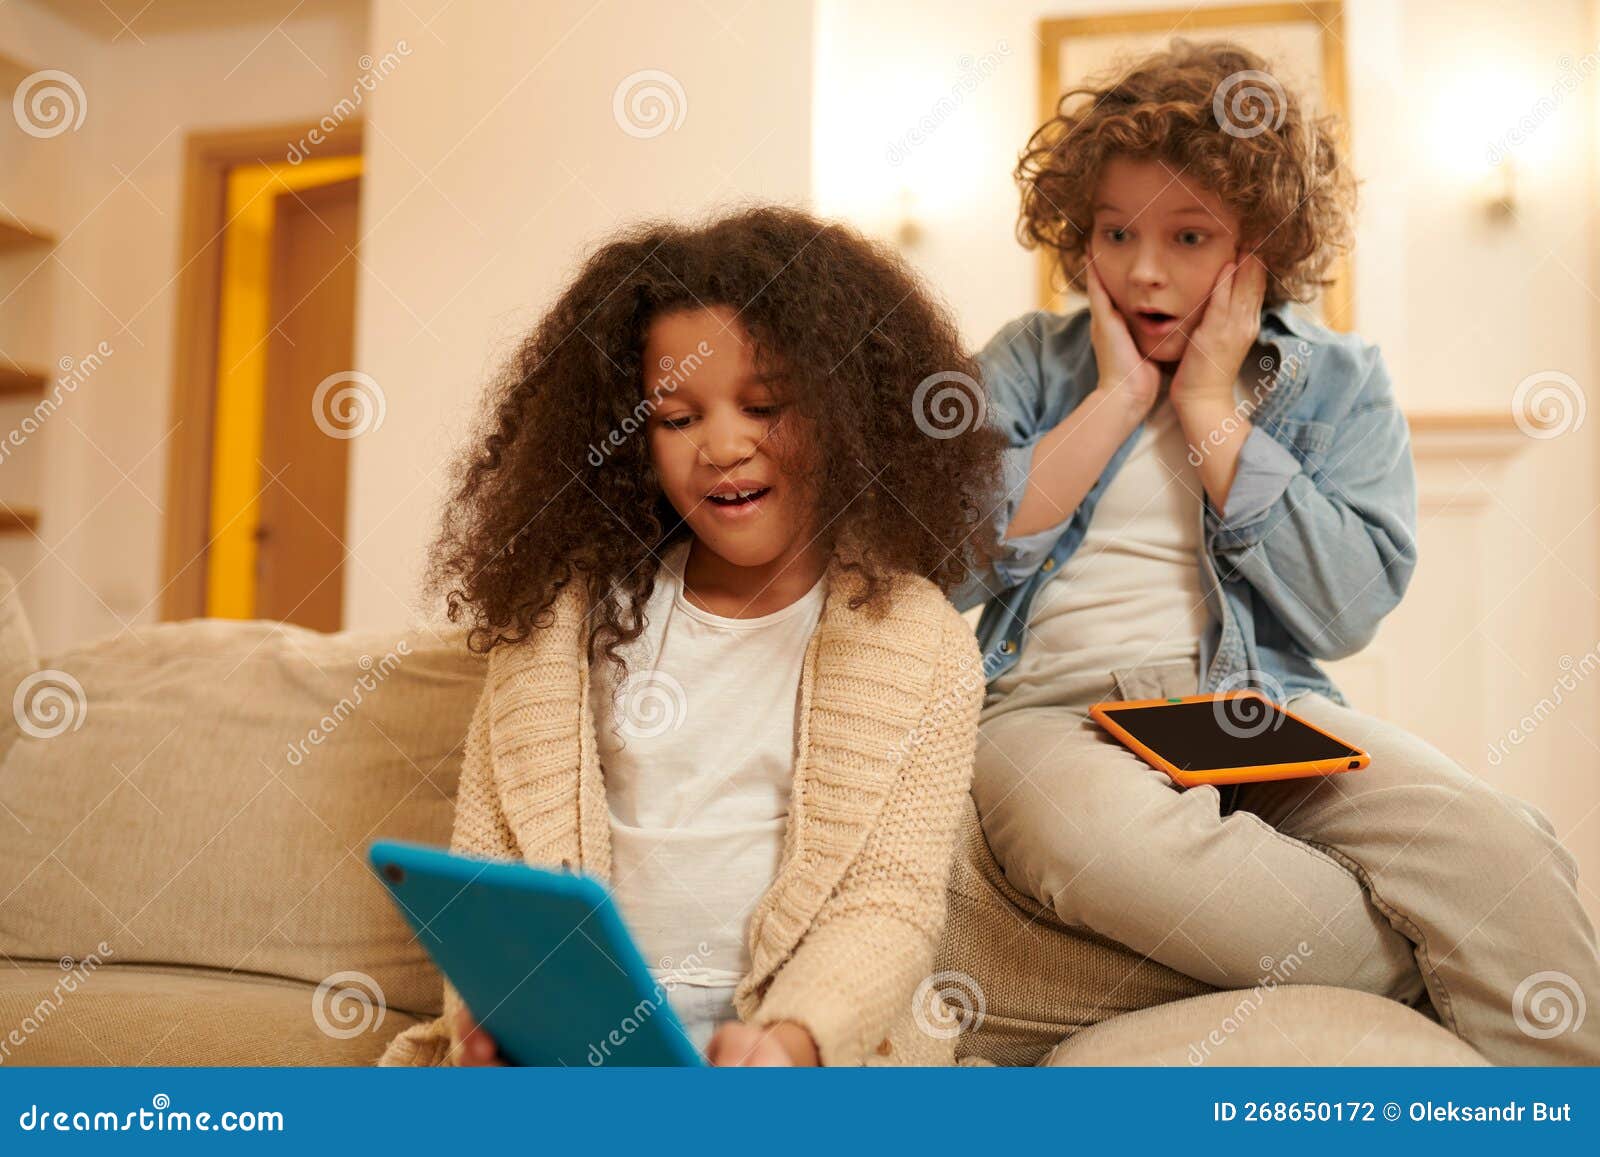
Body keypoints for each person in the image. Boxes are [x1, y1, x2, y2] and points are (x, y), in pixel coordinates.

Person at [953, 39, 1600, 1065]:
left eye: (1189, 235)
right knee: (1096, 847)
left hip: (1246, 703)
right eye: (1115, 233)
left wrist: (1209, 406)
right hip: (1047, 710)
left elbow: (1345, 607)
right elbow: (951, 559)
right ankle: (1429, 971)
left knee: (1502, 849)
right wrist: (1117, 397)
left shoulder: (1337, 381)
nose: (1144, 269)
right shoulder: (1029, 359)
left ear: (1261, 244)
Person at [378, 205, 1004, 1067]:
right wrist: (490, 1018)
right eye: (675, 418)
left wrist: (796, 1040)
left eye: (765, 405)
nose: (722, 445)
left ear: (847, 416)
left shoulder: (920, 641)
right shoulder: (559, 626)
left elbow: (888, 901)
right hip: (583, 1055)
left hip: (800, 1055)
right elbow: (493, 872)